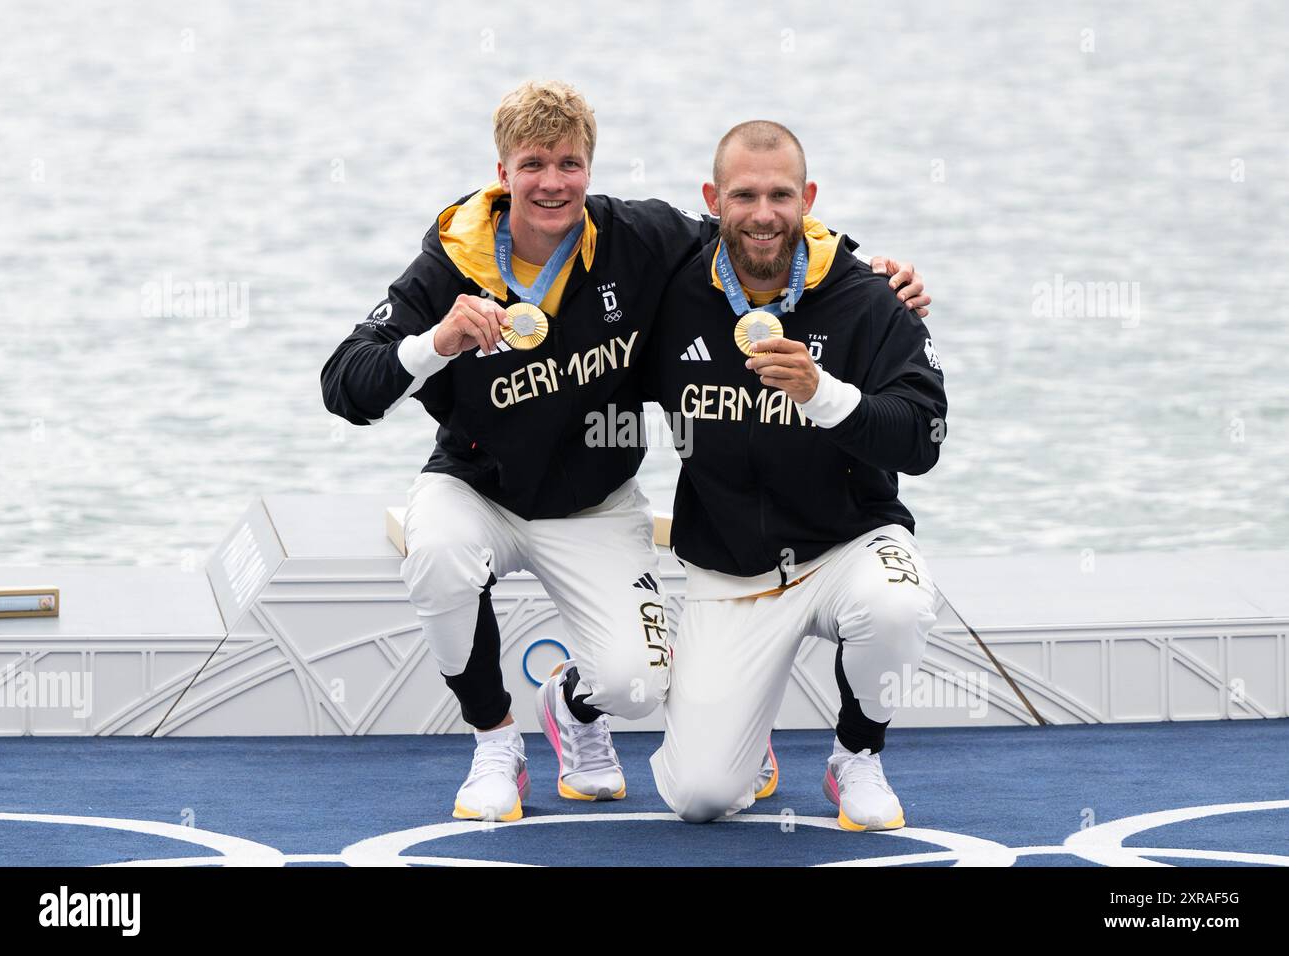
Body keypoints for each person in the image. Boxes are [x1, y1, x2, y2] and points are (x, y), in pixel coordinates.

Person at [321, 82, 930, 823]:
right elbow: (345, 387)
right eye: (533, 164)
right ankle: (495, 745)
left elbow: (755, 231)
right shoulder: (451, 263)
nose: (552, 182)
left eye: (570, 163)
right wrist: (432, 345)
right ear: (503, 170)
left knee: (641, 686)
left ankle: (577, 707)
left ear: (590, 168)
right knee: (439, 550)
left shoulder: (639, 240)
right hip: (478, 488)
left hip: (594, 505)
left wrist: (871, 275)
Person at [644, 121, 946, 830]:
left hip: (846, 545)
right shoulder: (671, 294)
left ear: (808, 198)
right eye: (743, 195)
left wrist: (823, 394)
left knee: (898, 605)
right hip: (732, 568)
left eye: (781, 195)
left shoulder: (870, 297)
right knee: (701, 798)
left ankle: (856, 756)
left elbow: (924, 436)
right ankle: (747, 738)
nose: (762, 215)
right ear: (713, 200)